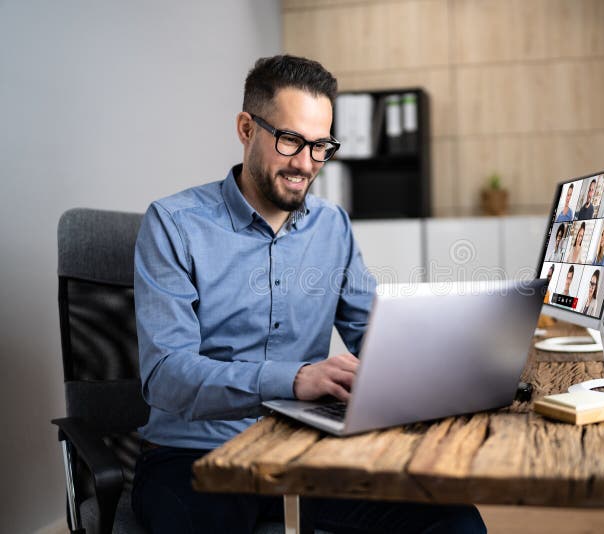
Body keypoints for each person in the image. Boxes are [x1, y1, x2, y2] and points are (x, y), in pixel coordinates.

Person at [132, 55, 486, 534]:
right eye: (291, 140)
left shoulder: (332, 225)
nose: (306, 164)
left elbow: (377, 336)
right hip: (195, 458)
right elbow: (165, 376)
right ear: (245, 128)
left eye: (321, 146)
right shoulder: (174, 225)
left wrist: (460, 358)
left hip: (304, 453)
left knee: (454, 522)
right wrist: (293, 379)